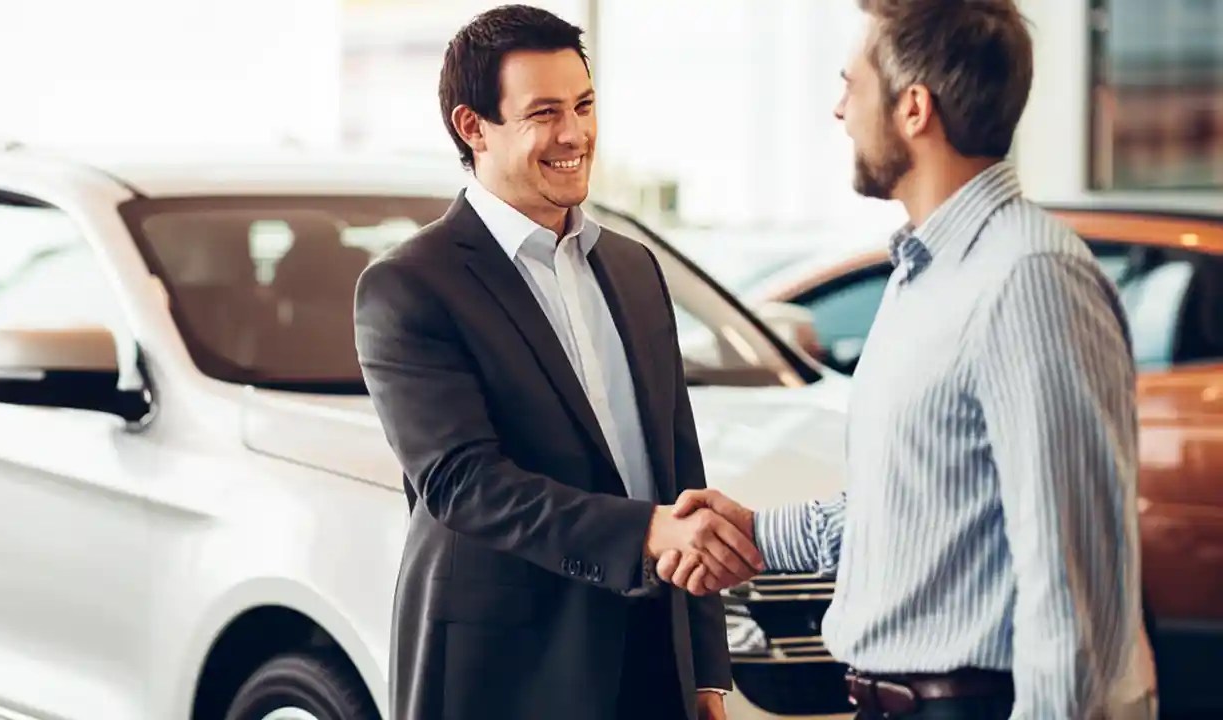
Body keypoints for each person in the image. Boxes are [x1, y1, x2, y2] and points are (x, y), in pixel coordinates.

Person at [660, 1, 1158, 718]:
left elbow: (1072, 587)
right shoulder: (920, 275)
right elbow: (901, 505)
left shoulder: (1029, 278)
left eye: (852, 85)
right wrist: (753, 533)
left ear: (914, 108)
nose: (839, 111)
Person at [353, 6, 762, 720]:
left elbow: (678, 465)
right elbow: (463, 483)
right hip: (508, 671)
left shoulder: (634, 267)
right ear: (472, 126)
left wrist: (704, 670)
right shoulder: (409, 286)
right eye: (543, 112)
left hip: (650, 656)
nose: (574, 134)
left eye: (583, 105)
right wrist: (644, 534)